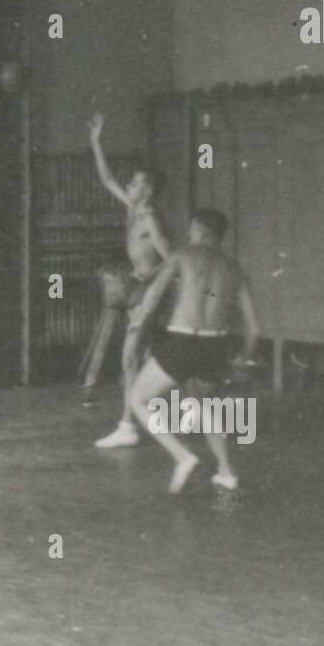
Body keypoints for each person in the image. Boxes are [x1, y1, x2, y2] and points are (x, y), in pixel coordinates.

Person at [126, 207, 261, 494]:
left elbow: (151, 297)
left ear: (199, 229)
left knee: (138, 398)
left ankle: (182, 456)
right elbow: (254, 328)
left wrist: (137, 329)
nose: (189, 234)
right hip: (217, 345)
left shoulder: (182, 256)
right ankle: (227, 472)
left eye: (191, 229)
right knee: (206, 406)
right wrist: (244, 356)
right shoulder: (235, 267)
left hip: (183, 341)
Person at [86, 113, 172, 446]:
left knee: (129, 356)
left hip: (149, 290)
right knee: (143, 355)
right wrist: (96, 142)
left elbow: (172, 258)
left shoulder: (150, 218)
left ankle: (128, 426)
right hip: (140, 287)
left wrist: (146, 277)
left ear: (148, 190)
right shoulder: (133, 207)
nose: (129, 186)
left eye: (135, 183)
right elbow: (107, 179)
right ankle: (145, 415)